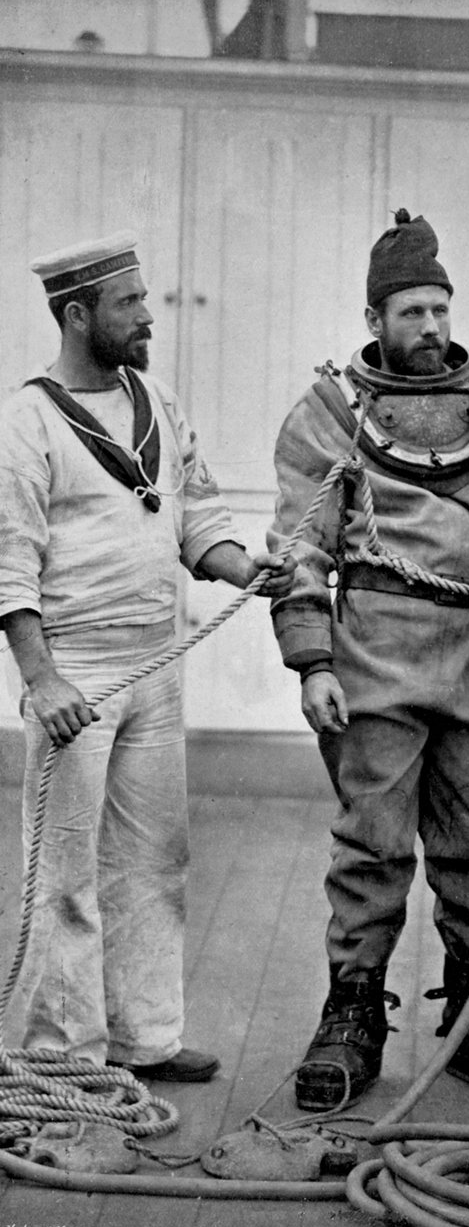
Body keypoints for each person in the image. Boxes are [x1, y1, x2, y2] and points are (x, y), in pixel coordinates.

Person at [268, 209, 469, 1112]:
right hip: (373, 656)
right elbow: (299, 548)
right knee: (370, 845)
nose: (430, 326)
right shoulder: (331, 415)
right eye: (411, 312)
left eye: (440, 309)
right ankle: (351, 1012)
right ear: (375, 319)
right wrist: (312, 661)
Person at [0, 232, 296, 1083]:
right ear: (77, 314)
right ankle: (64, 1058)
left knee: (156, 860)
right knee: (65, 877)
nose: (147, 318)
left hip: (156, 667)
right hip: (76, 676)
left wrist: (248, 569)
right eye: (128, 303)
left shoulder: (157, 402)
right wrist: (42, 678)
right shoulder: (26, 424)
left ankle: (147, 1038)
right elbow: (10, 562)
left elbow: (196, 518)